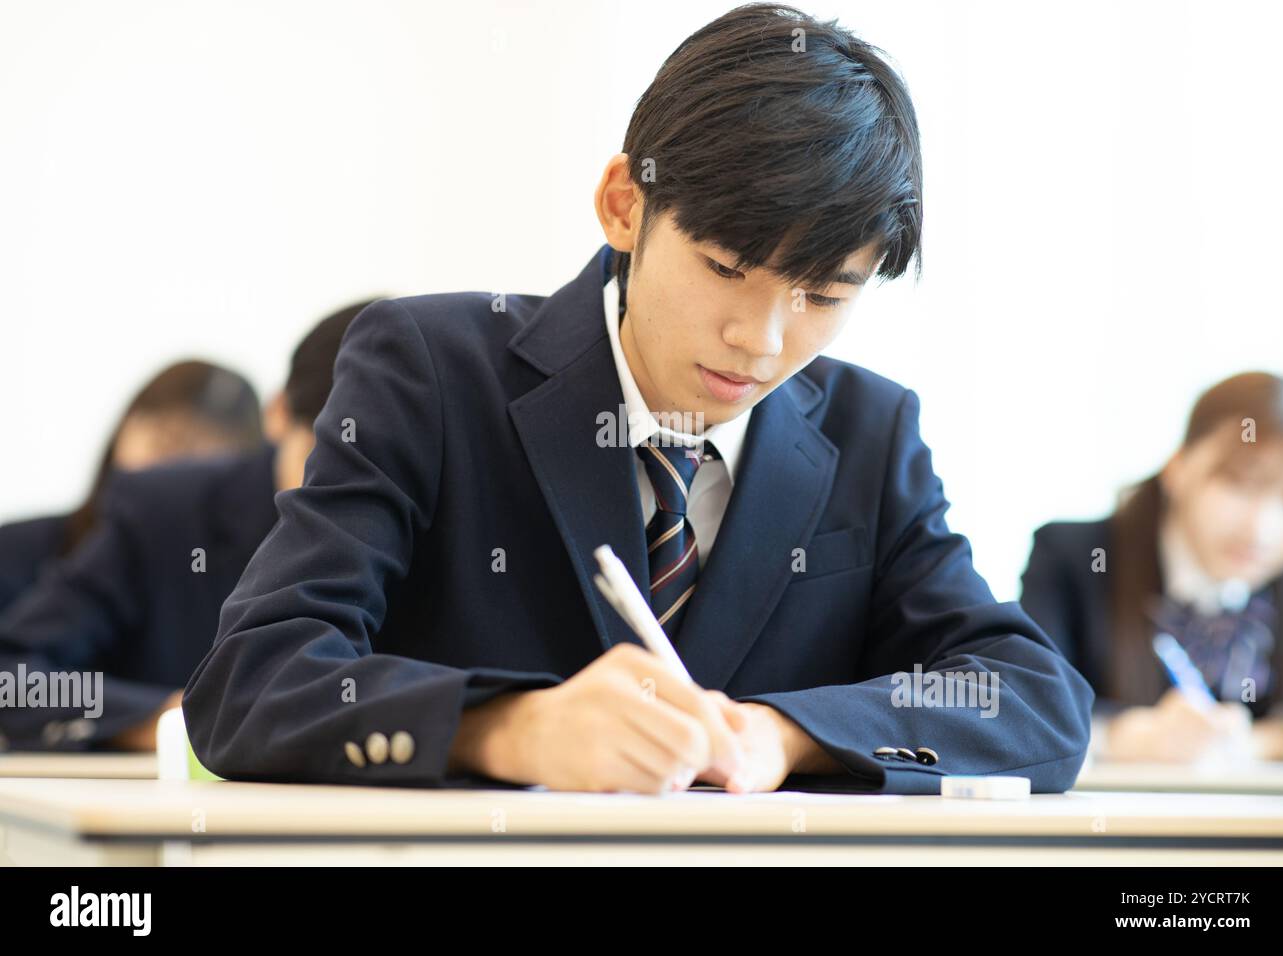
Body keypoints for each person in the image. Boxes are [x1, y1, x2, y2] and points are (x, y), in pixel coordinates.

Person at [183, 4, 1093, 795]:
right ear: (625, 205)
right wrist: (504, 730)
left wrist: (785, 736)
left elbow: (1034, 700)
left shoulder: (870, 432)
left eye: (824, 296)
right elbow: (250, 683)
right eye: (727, 268)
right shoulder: (427, 369)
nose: (764, 340)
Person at [0, 301, 375, 752]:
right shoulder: (163, 512)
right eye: (326, 465)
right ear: (279, 414)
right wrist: (169, 719)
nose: (346, 500)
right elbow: (13, 677)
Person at [1020, 372, 1283, 763]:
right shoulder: (1073, 557)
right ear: (1178, 467)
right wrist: (1123, 737)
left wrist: (1258, 742)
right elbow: (1030, 704)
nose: (1261, 530)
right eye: (1239, 485)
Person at [0, 360, 262, 613]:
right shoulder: (15, 552)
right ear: (124, 429)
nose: (173, 476)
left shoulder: (242, 597)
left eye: (203, 466)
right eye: (166, 443)